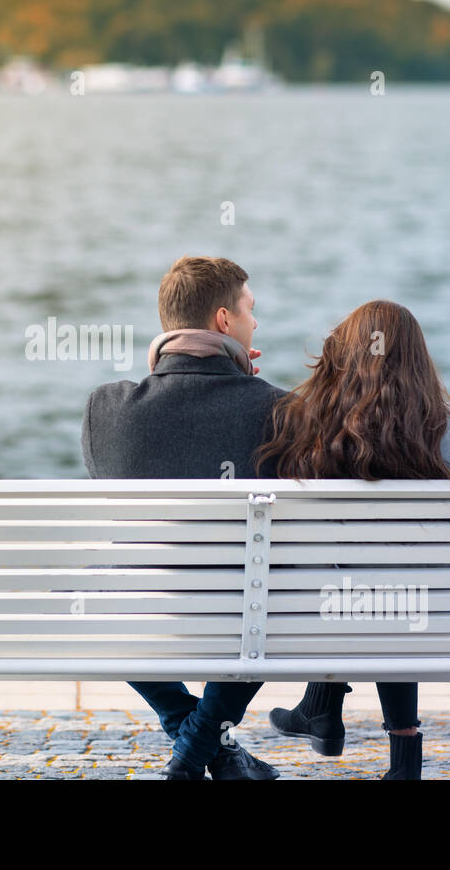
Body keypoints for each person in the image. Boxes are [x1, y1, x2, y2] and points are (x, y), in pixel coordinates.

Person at [255, 299, 450, 779]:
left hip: (341, 603)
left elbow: (310, 542)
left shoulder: (313, 424)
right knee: (400, 581)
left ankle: (322, 703)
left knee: (356, 575)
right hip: (446, 606)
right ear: (419, 358)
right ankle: (399, 759)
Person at [82, 255, 284, 779]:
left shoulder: (106, 408)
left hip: (137, 613)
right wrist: (247, 387)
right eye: (249, 310)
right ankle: (197, 757)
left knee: (101, 591)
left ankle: (196, 744)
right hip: (246, 615)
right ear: (223, 320)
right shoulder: (280, 410)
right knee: (272, 596)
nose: (254, 323)